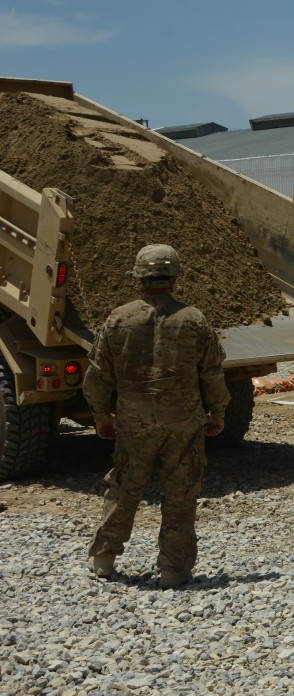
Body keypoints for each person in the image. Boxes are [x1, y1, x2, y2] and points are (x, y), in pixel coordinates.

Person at [84, 245, 230, 589]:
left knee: (124, 487)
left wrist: (102, 416)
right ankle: (173, 571)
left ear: (139, 279)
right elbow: (211, 373)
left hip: (134, 422)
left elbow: (97, 374)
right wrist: (218, 411)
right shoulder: (194, 319)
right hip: (183, 423)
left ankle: (104, 560)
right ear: (175, 278)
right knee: (180, 494)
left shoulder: (118, 318)